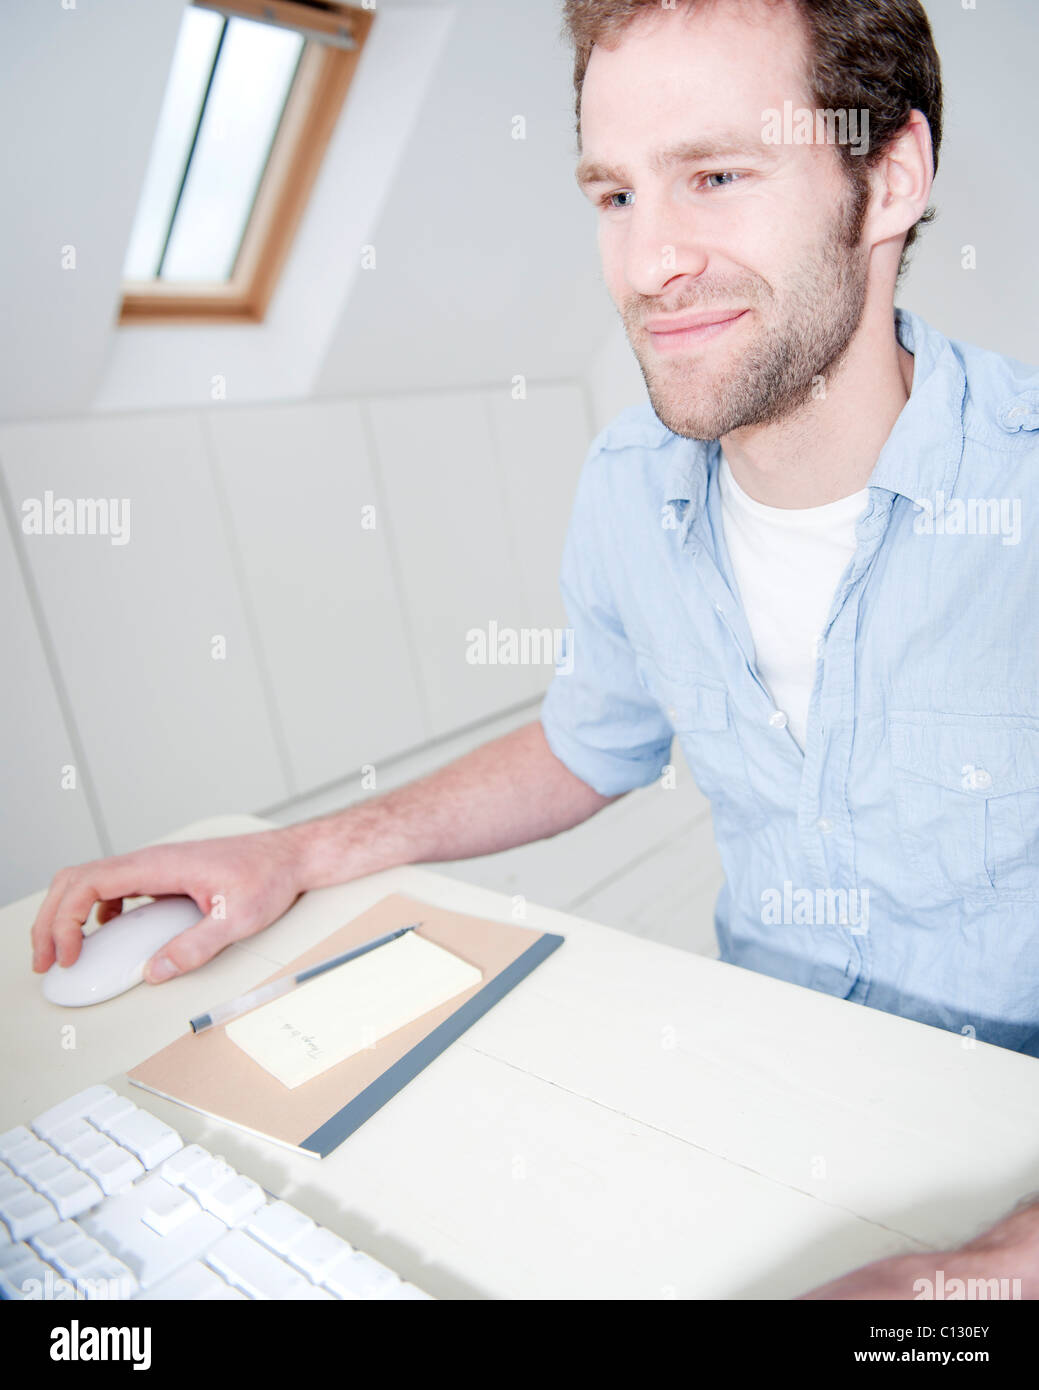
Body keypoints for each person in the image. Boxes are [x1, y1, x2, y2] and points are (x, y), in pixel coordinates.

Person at [30, 0, 1039, 1297]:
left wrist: (970, 1281)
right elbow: (588, 743)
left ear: (888, 176)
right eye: (613, 195)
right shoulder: (631, 484)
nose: (649, 261)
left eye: (716, 176)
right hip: (762, 1106)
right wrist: (298, 850)